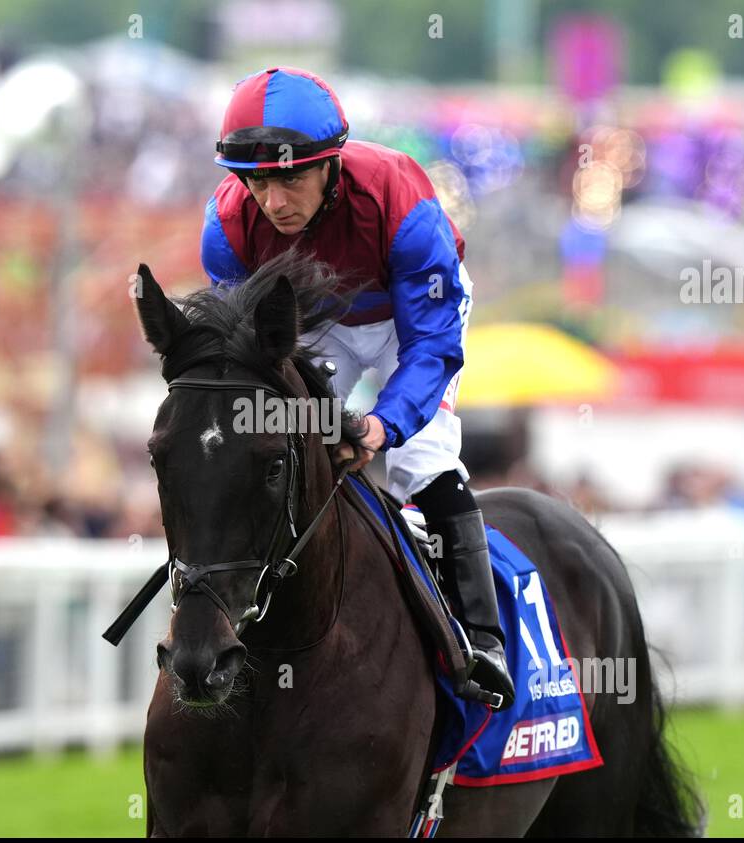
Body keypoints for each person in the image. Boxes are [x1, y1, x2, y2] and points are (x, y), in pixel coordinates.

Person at [200, 66, 513, 706]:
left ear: (332, 165)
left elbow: (432, 345)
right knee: (290, 443)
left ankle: (483, 641)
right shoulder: (227, 230)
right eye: (256, 182)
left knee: (419, 460)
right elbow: (250, 358)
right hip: (319, 321)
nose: (274, 201)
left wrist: (381, 425)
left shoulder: (399, 198)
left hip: (411, 319)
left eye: (290, 177)